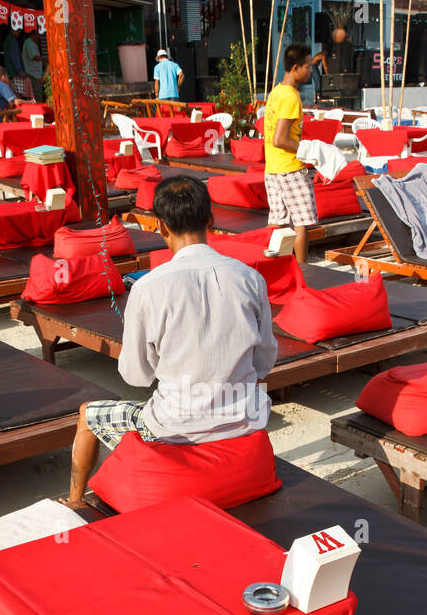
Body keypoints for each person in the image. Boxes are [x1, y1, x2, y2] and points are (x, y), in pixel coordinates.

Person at [67, 176, 278, 505]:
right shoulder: (250, 278)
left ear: (161, 227)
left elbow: (137, 376)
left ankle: (76, 501)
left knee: (86, 415)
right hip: (242, 419)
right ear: (210, 220)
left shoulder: (149, 287)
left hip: (172, 427)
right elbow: (264, 361)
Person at [263, 42, 317, 265]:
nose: (310, 70)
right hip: (291, 168)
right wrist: (308, 150)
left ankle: (281, 269)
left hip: (273, 169)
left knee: (280, 224)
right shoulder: (291, 97)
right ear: (296, 68)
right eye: (308, 66)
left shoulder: (276, 92)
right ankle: (304, 271)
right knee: (300, 223)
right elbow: (280, 139)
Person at [22, 32, 44, 101]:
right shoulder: (29, 42)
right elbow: (34, 57)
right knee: (37, 95)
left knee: (38, 93)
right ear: (34, 34)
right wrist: (46, 59)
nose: (40, 37)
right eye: (38, 35)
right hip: (32, 73)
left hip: (36, 73)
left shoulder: (33, 43)